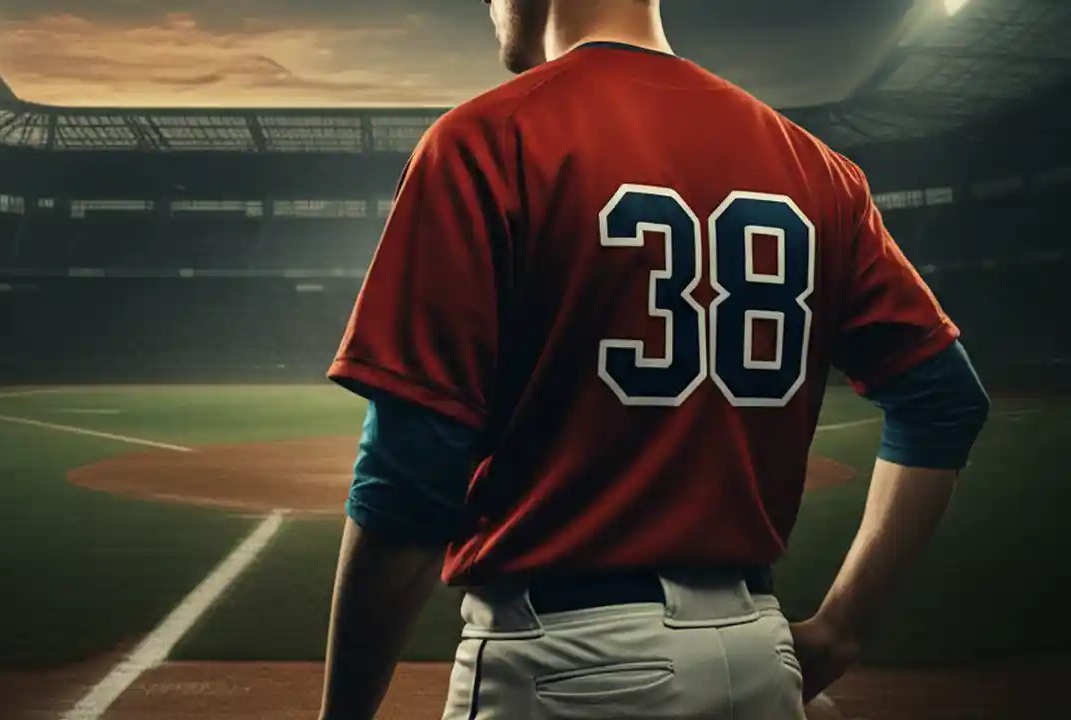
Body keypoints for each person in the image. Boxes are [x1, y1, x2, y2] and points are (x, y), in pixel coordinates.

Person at [318, 1, 990, 718]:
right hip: (759, 664)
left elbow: (410, 475)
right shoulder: (814, 166)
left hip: (564, 671)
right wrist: (841, 629)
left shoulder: (486, 140)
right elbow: (944, 398)